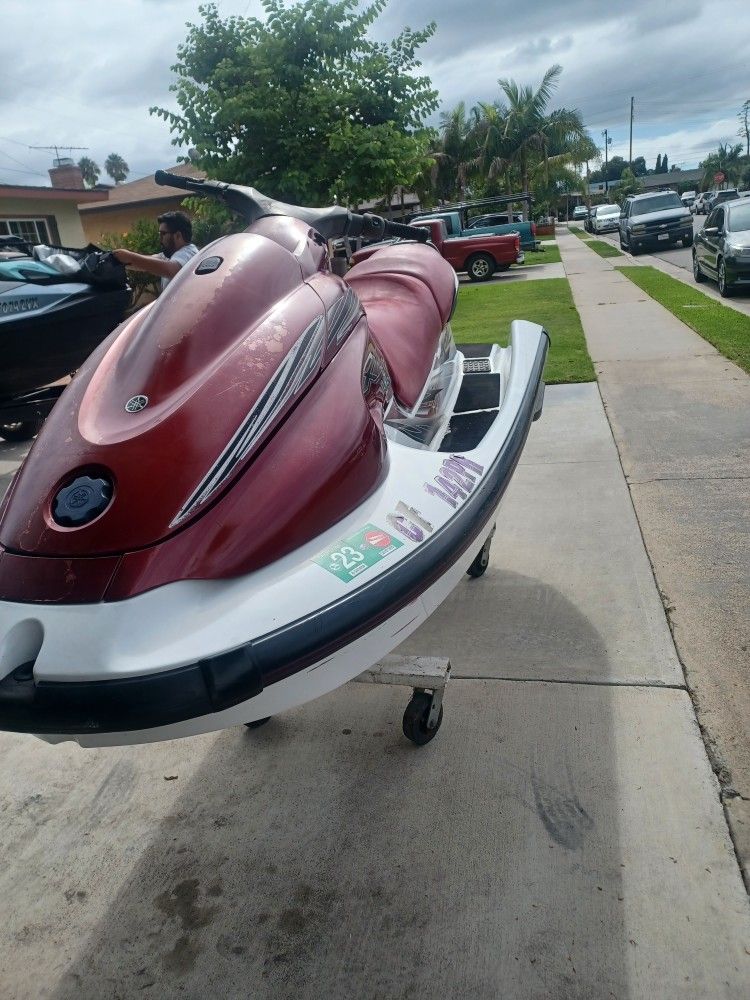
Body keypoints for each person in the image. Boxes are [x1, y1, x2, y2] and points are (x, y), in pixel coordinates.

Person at [113, 212, 198, 292]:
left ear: (178, 235)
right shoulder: (170, 255)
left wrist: (130, 257)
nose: (160, 239)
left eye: (163, 234)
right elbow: (145, 263)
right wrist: (117, 260)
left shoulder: (189, 253)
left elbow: (170, 270)